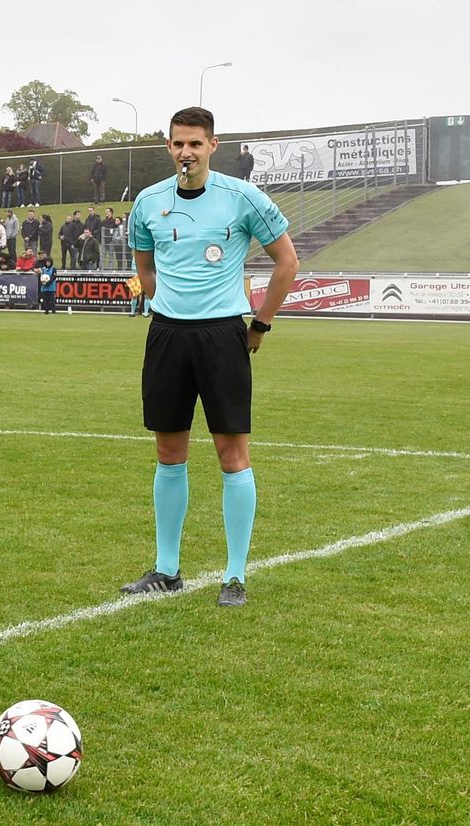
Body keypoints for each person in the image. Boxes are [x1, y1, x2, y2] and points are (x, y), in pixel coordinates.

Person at [119, 106, 298, 608]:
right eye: (178, 143)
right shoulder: (149, 202)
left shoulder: (242, 198)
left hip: (223, 337)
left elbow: (287, 261)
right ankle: (166, 569)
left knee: (231, 456)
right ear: (169, 147)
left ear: (212, 146)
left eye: (196, 143)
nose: (186, 153)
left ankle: (235, 576)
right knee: (168, 453)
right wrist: (166, 306)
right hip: (167, 337)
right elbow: (145, 267)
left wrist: (259, 323)